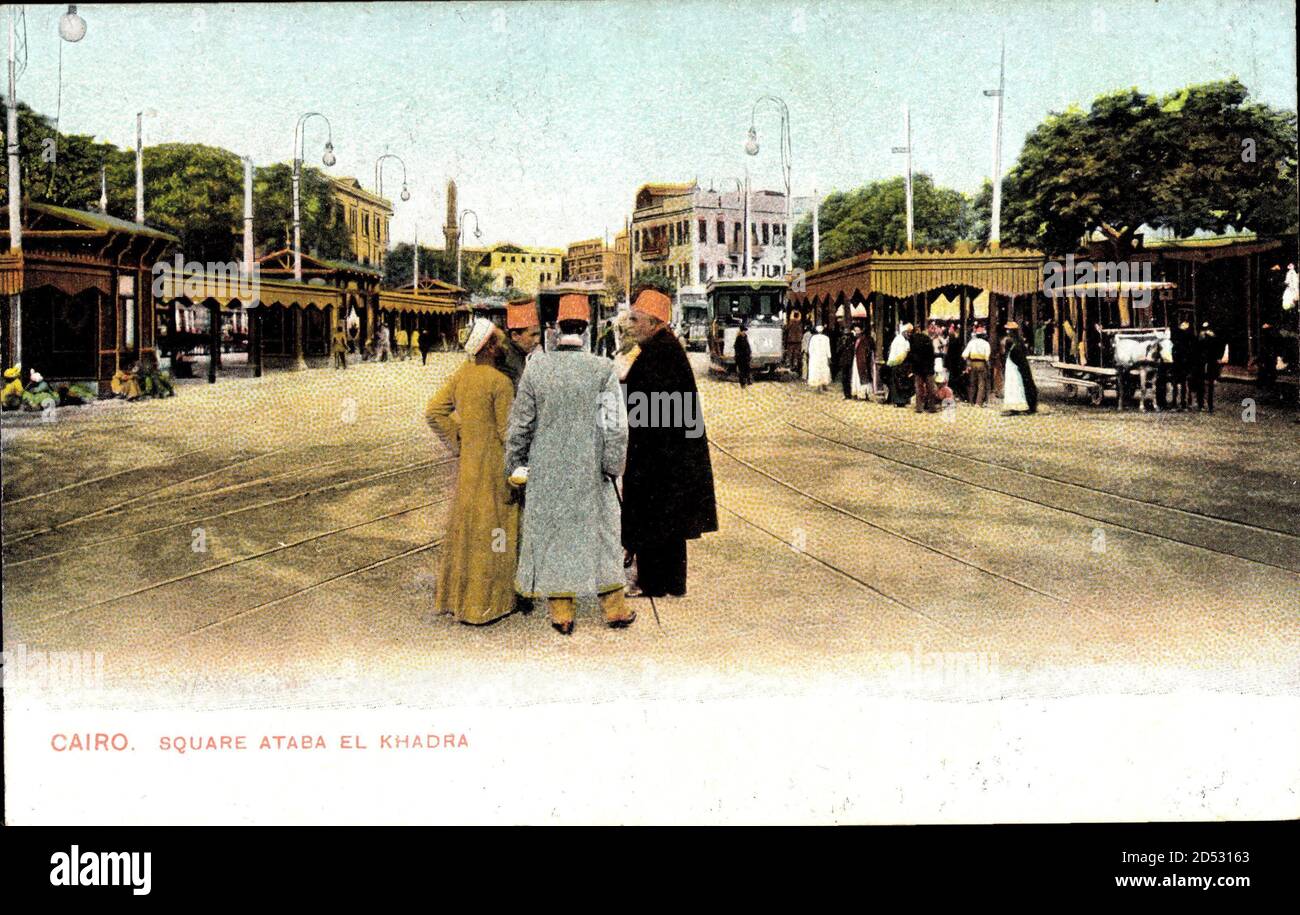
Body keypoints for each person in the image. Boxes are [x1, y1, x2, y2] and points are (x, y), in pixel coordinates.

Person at [505, 294, 632, 635]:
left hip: (547, 470)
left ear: (555, 329)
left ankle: (562, 615)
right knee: (603, 537)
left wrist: (514, 465)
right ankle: (615, 610)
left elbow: (520, 426)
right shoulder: (602, 369)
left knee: (554, 538)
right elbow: (615, 425)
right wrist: (612, 466)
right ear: (587, 328)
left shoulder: (537, 369)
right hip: (591, 469)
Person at [621, 287, 718, 598]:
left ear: (654, 322)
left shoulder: (658, 355)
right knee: (669, 521)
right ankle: (669, 582)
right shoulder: (665, 349)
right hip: (671, 454)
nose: (630, 325)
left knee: (656, 516)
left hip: (659, 454)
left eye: (636, 320)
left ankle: (653, 582)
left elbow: (647, 409)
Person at [424, 318, 519, 625]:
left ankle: (460, 601)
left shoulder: (462, 375)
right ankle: (493, 601)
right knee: (498, 531)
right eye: (499, 342)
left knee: (468, 530)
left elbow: (434, 411)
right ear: (490, 347)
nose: (503, 346)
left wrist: (459, 438)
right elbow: (508, 433)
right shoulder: (500, 383)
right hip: (495, 465)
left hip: (469, 464)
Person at [498, 296, 543, 392]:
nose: (537, 340)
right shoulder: (508, 363)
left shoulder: (517, 354)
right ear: (515, 336)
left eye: (538, 334)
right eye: (533, 335)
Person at [1000, 320, 1038, 415]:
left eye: (1008, 330)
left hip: (1015, 369)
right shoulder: (1018, 341)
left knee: (1015, 386)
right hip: (1016, 368)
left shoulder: (1012, 342)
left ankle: (1017, 406)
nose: (1007, 331)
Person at [908, 323, 938, 413]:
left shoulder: (912, 341)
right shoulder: (928, 340)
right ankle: (931, 407)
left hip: (918, 368)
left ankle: (919, 407)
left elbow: (911, 355)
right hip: (928, 367)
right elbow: (932, 354)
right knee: (930, 388)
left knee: (919, 388)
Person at [1197, 322, 1225, 413]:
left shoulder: (1211, 338)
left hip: (1208, 363)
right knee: (1205, 385)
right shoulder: (1204, 338)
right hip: (1205, 363)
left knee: (1208, 385)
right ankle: (1204, 404)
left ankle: (1207, 404)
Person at [962, 324, 992, 407]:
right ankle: (978, 403)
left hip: (972, 363)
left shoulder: (971, 342)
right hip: (982, 364)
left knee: (972, 383)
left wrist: (968, 363)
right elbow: (987, 357)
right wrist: (988, 366)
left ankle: (971, 401)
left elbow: (964, 354)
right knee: (981, 383)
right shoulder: (986, 344)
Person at [886, 322, 913, 407]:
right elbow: (901, 355)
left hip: (898, 364)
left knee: (897, 383)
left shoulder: (903, 340)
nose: (909, 334)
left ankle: (896, 400)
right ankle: (899, 401)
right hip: (897, 364)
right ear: (904, 332)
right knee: (898, 384)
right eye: (908, 332)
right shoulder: (900, 340)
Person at [1171, 319, 1196, 410]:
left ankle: (1178, 403)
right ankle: (1183, 403)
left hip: (1180, 365)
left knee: (1180, 386)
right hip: (1182, 365)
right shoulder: (1188, 339)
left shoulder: (1178, 340)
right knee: (1184, 385)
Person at [807, 324, 832, 391]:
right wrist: (829, 357)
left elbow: (810, 349)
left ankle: (818, 385)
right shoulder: (826, 338)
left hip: (815, 357)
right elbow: (828, 349)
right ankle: (824, 384)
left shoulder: (813, 338)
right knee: (824, 370)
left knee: (816, 370)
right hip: (823, 357)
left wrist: (811, 356)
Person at [836, 327, 857, 399]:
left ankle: (850, 393)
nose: (846, 337)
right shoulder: (841, 340)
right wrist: (843, 344)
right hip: (844, 361)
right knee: (845, 378)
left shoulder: (852, 341)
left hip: (850, 360)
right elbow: (838, 350)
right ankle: (846, 394)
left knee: (849, 377)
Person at [734, 322, 753, 388]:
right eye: (744, 331)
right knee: (741, 371)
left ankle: (748, 380)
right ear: (741, 331)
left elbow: (748, 346)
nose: (745, 332)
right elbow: (736, 348)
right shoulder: (738, 338)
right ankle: (742, 383)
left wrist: (749, 353)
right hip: (741, 358)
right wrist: (738, 356)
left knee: (747, 369)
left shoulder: (745, 337)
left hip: (746, 357)